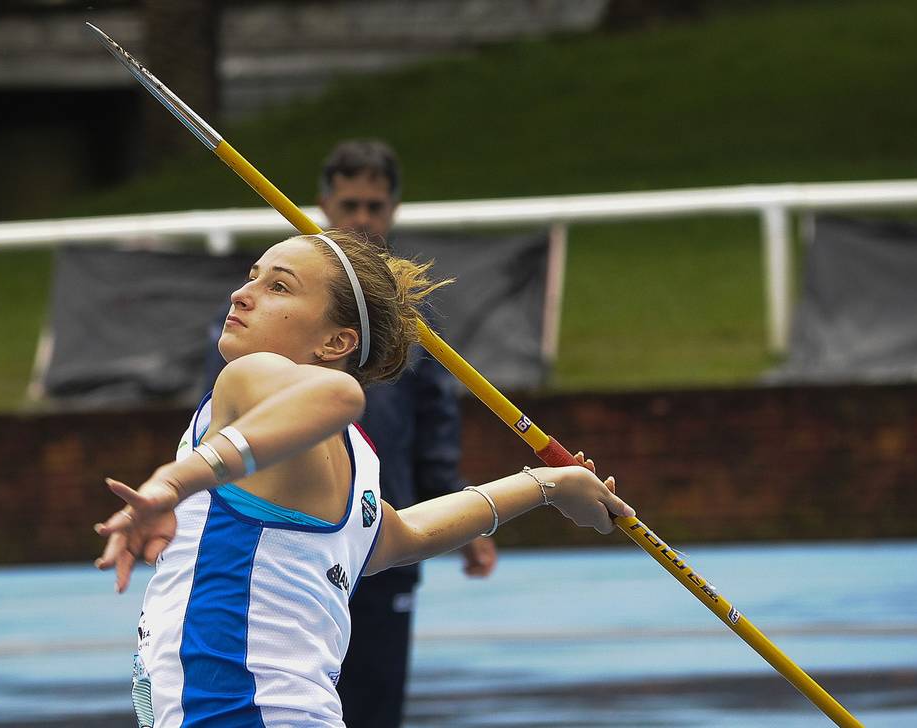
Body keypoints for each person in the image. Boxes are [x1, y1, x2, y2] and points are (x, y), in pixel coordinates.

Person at [95, 228, 634, 727]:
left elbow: (339, 395)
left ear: (336, 344)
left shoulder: (250, 377)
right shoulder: (356, 460)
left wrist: (173, 480)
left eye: (279, 286)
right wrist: (548, 485)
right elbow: (402, 538)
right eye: (252, 275)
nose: (242, 294)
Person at [204, 139, 496, 727]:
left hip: (364, 526)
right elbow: (258, 413)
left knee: (374, 702)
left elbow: (417, 437)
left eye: (375, 207)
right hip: (282, 549)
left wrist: (534, 489)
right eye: (350, 206)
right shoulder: (249, 346)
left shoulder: (405, 339)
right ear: (324, 204)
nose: (362, 220)